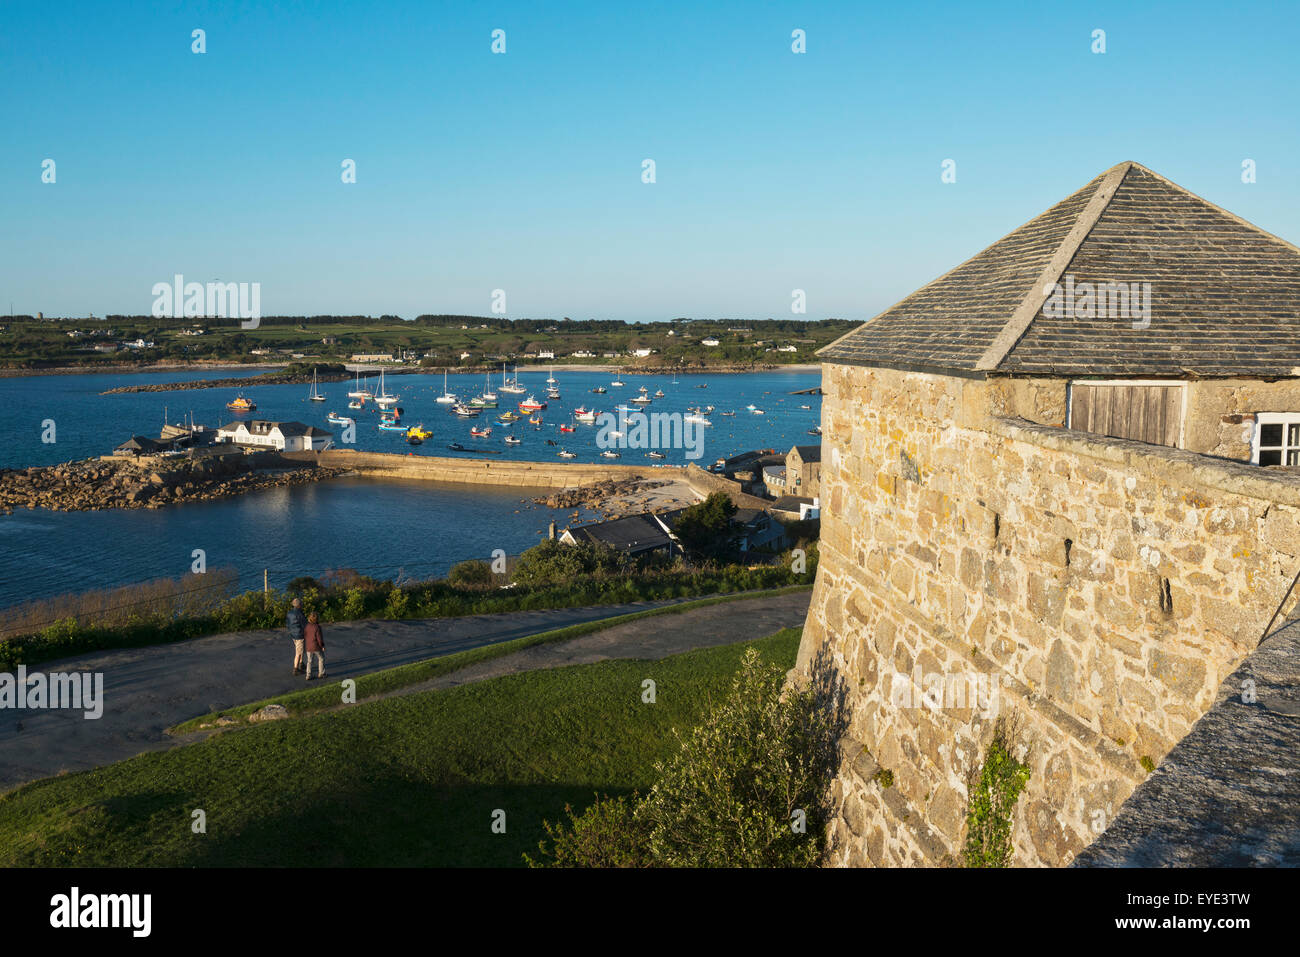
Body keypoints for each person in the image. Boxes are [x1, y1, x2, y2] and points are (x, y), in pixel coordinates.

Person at [286, 597, 307, 675]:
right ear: (298, 605)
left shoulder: (289, 613)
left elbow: (287, 624)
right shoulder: (299, 613)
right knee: (298, 653)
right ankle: (296, 669)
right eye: (301, 604)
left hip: (293, 634)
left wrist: (290, 630)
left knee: (300, 650)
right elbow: (304, 624)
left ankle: (301, 663)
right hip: (299, 635)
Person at [303, 612, 326, 681]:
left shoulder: (307, 626)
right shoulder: (317, 627)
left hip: (308, 646)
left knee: (309, 661)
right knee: (321, 658)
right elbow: (319, 638)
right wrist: (322, 646)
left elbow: (305, 635)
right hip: (316, 647)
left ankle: (308, 675)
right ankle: (321, 673)